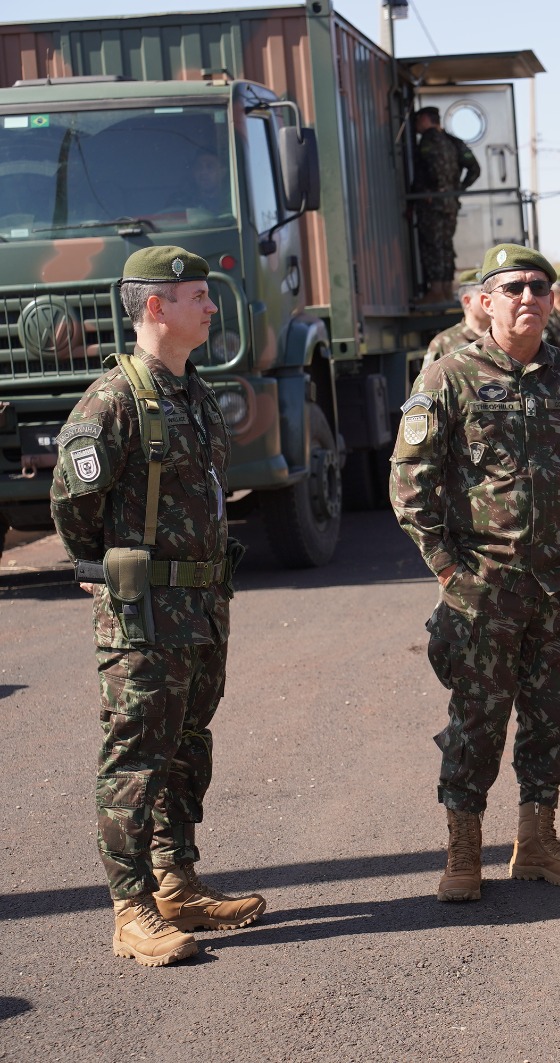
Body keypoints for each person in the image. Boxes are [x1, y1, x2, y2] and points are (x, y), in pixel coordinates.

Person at [51, 245, 262, 967]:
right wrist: (101, 565)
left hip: (202, 604)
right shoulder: (112, 401)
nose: (210, 306)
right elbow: (71, 501)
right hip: (143, 612)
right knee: (137, 754)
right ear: (155, 307)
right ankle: (131, 906)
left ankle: (176, 880)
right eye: (198, 295)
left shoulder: (195, 392)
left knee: (187, 744)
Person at [390, 242, 560, 903]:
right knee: (477, 720)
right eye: (513, 288)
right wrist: (447, 570)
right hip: (484, 586)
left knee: (552, 715)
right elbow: (409, 481)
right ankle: (464, 853)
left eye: (539, 288)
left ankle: (537, 842)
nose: (528, 298)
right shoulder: (449, 376)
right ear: (485, 301)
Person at [410, 106, 480, 304]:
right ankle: (447, 290)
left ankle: (437, 291)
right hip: (450, 204)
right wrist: (456, 190)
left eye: (417, 121)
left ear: (425, 119)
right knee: (446, 246)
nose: (416, 126)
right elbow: (474, 168)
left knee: (433, 245)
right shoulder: (453, 141)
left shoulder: (430, 139)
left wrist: (436, 190)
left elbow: (435, 165)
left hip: (433, 205)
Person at [423, 268, 489, 366]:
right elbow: (429, 380)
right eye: (486, 295)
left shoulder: (505, 337)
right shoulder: (443, 343)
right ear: (467, 301)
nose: (492, 300)